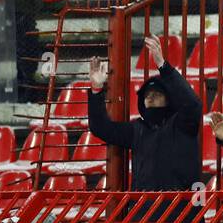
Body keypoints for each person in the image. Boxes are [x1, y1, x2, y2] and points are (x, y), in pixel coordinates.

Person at [86, 36, 202, 191]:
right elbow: (100, 127)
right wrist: (96, 89)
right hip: (144, 211)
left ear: (169, 99)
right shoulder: (137, 129)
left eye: (156, 94)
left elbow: (192, 104)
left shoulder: (182, 123)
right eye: (147, 95)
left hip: (180, 211)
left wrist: (163, 66)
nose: (150, 97)